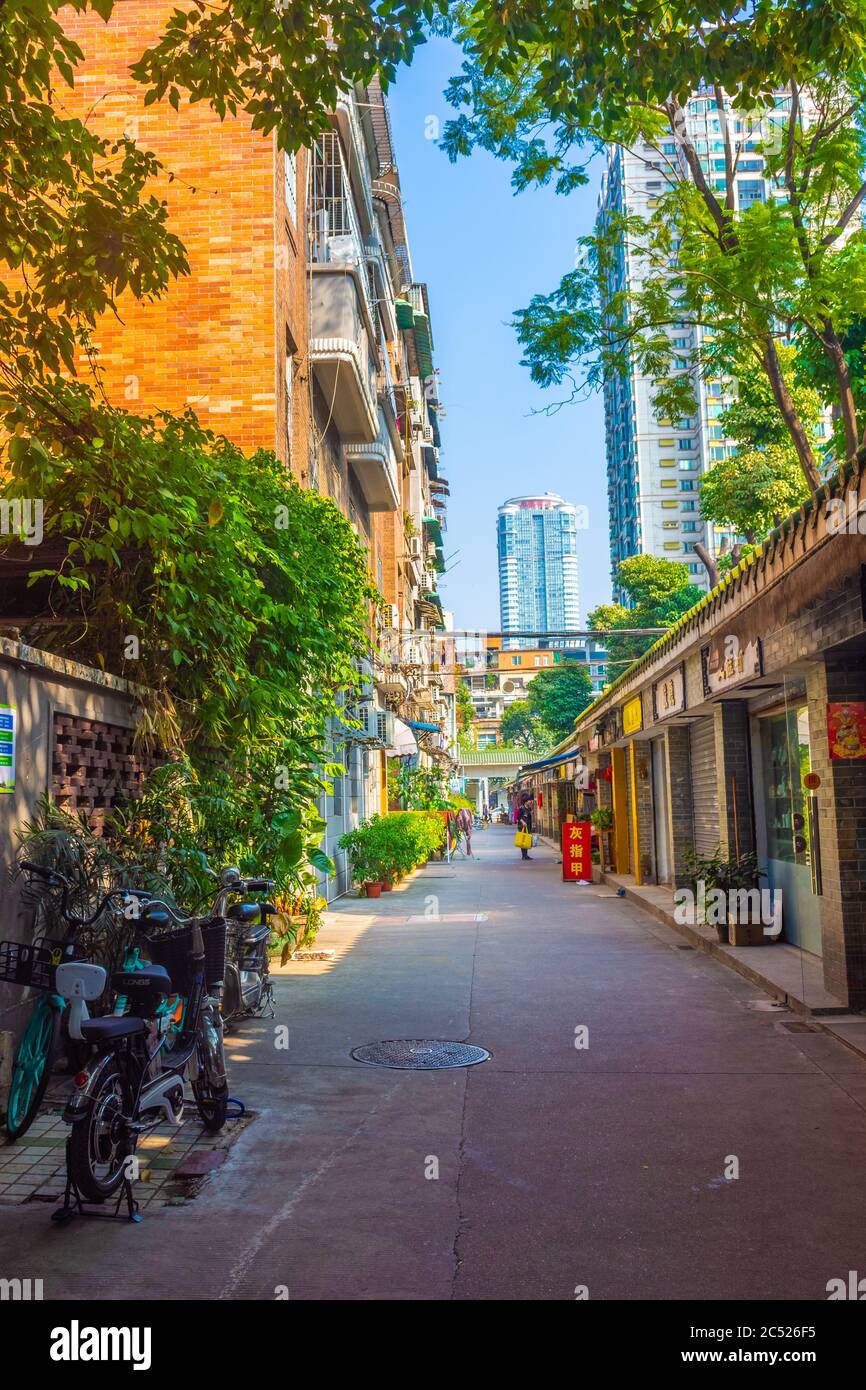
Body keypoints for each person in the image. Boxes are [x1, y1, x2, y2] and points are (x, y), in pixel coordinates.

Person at [516, 792, 534, 860]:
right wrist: (523, 822)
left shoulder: (529, 808)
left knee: (526, 840)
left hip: (528, 826)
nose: (530, 801)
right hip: (522, 827)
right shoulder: (521, 808)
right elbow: (518, 817)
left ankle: (525, 855)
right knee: (523, 840)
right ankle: (524, 855)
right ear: (526, 801)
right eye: (529, 800)